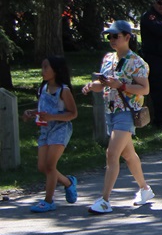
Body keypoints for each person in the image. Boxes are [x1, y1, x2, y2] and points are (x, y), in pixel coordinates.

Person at [83, 20, 154, 214]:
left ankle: (105, 199)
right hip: (111, 111)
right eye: (110, 36)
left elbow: (144, 89)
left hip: (126, 112)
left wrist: (121, 86)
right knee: (128, 154)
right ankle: (145, 189)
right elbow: (103, 83)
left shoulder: (137, 62)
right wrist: (92, 86)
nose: (112, 40)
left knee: (112, 154)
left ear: (127, 37)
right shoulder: (108, 58)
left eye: (116, 36)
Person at [21, 56, 78, 212]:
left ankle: (48, 201)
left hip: (60, 129)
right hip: (45, 129)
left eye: (46, 67)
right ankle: (68, 182)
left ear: (56, 70)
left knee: (50, 165)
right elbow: (43, 108)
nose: (43, 71)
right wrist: (32, 113)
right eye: (42, 67)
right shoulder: (43, 88)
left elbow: (73, 113)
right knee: (42, 166)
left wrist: (53, 117)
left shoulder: (63, 90)